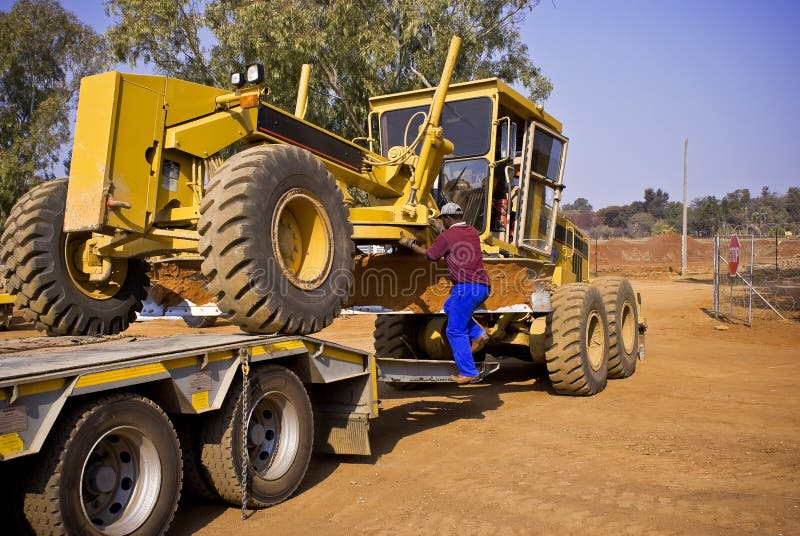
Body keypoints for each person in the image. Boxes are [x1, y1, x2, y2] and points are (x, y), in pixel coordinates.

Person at [400, 202, 491, 384]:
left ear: (448, 218)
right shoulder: (472, 231)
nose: (443, 222)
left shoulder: (447, 236)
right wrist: (442, 230)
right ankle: (478, 334)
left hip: (466, 288)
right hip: (482, 287)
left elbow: (430, 256)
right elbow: (456, 239)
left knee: (455, 330)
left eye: (443, 220)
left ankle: (469, 372)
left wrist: (410, 244)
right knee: (449, 307)